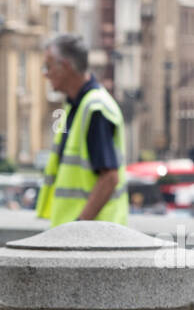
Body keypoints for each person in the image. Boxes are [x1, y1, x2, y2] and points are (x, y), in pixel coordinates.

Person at [37, 34, 128, 226]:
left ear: (66, 66)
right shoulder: (75, 105)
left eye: (49, 66)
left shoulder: (95, 108)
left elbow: (109, 178)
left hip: (92, 240)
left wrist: (78, 226)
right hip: (83, 239)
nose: (45, 73)